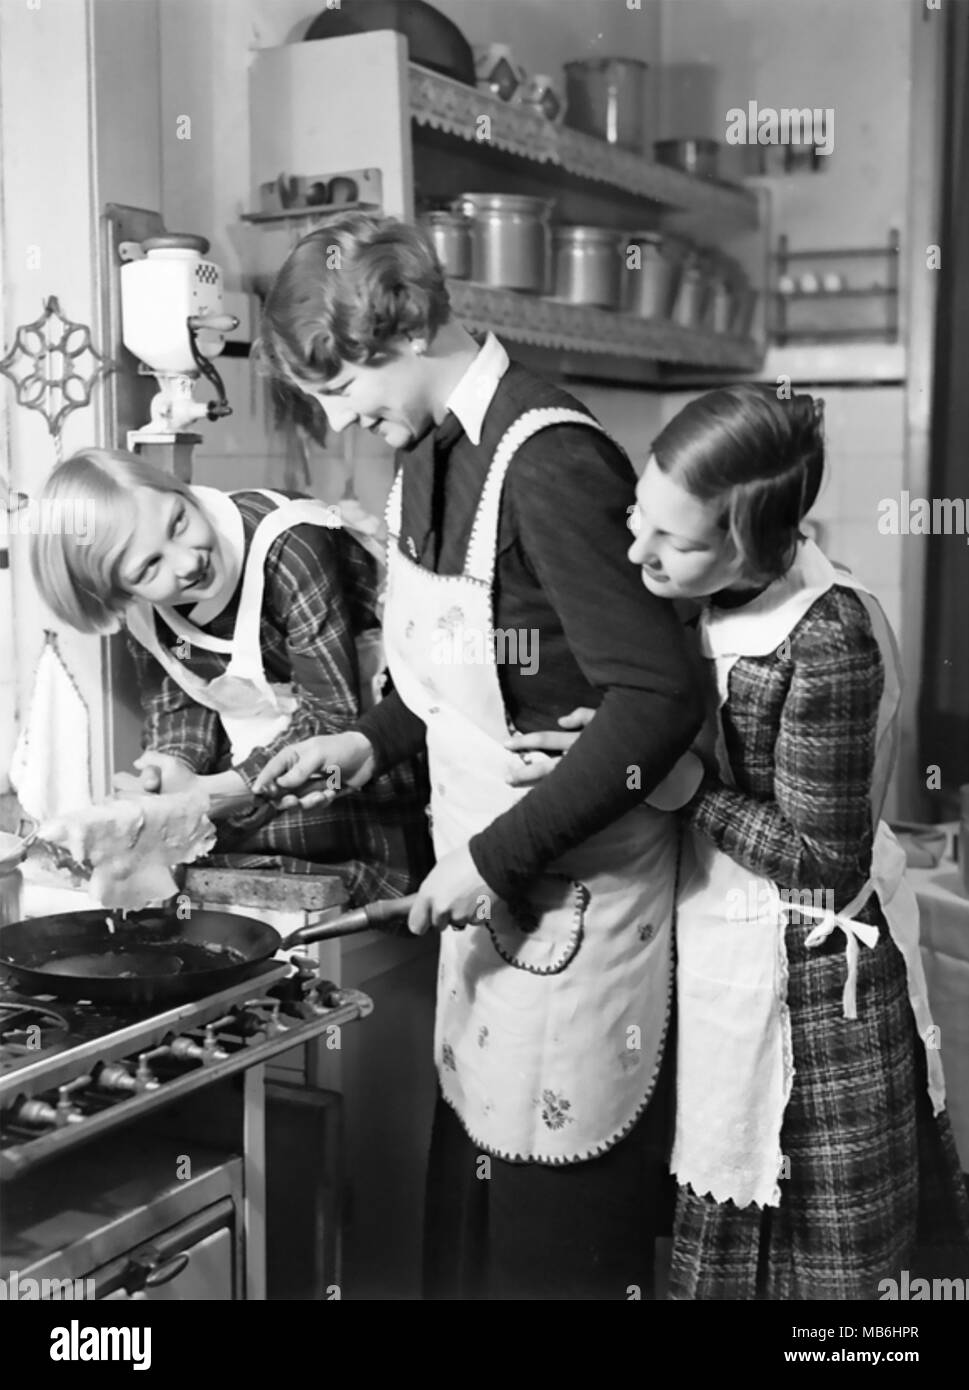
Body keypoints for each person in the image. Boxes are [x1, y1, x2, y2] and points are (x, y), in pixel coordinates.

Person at [253, 211, 705, 1300]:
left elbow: (658, 698)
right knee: (472, 1241)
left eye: (336, 389)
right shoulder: (429, 460)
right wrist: (371, 739)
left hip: (577, 912)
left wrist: (494, 859)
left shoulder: (546, 455)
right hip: (494, 904)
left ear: (390, 339)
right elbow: (449, 675)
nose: (340, 419)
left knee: (553, 1260)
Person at [505, 382, 969, 1300]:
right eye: (638, 514)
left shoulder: (826, 639)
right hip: (714, 952)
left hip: (812, 1006)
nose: (635, 550)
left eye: (670, 540)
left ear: (751, 546)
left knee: (826, 1297)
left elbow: (819, 861)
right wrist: (604, 749)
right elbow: (651, 711)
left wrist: (682, 788)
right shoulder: (688, 593)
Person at [29, 448, 430, 901]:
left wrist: (212, 795)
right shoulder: (143, 607)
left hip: (376, 735)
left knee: (271, 831)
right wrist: (175, 765)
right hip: (277, 745)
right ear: (119, 593)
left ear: (177, 490)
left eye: (178, 522)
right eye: (148, 566)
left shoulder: (291, 542)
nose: (187, 561)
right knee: (184, 853)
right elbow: (182, 696)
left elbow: (333, 716)